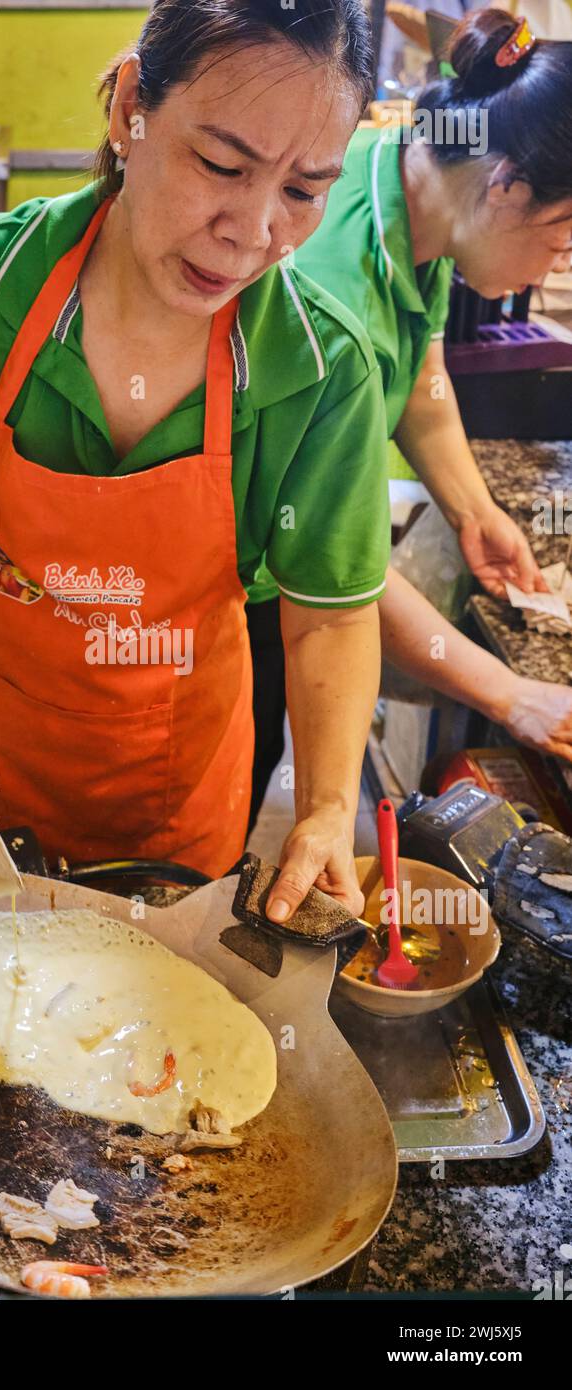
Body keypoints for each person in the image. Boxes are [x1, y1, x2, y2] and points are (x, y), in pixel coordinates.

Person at [0, 0, 393, 924]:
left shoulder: (320, 369)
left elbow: (329, 622)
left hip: (177, 824)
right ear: (129, 109)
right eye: (222, 164)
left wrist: (322, 808)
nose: (253, 231)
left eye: (304, 191)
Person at [247, 8, 572, 824]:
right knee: (206, 838)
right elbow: (337, 570)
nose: (562, 260)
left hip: (291, 564)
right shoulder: (333, 303)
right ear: (506, 187)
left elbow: (422, 372)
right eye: (564, 235)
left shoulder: (405, 178)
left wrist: (477, 510)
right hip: (234, 591)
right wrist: (510, 695)